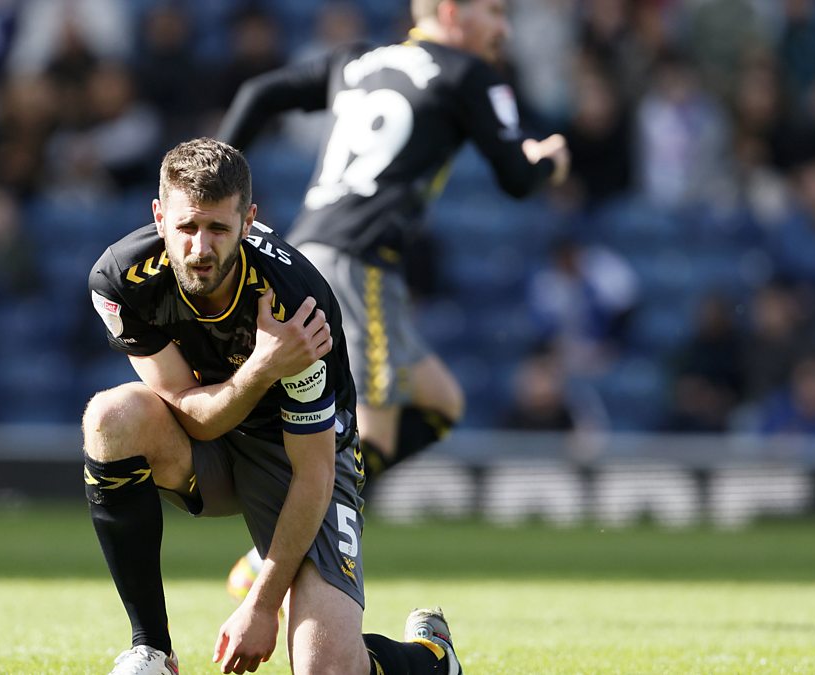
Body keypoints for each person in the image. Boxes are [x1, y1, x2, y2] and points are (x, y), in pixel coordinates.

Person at [85, 138, 461, 674]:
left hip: (299, 459)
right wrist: (262, 367)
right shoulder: (122, 281)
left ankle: (431, 658)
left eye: (218, 229)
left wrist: (261, 607)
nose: (200, 248)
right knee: (111, 418)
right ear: (159, 216)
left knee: (324, 669)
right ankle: (151, 650)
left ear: (249, 221)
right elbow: (189, 412)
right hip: (208, 444)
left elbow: (314, 472)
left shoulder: (296, 305)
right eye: (187, 227)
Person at [218, 0, 568, 523]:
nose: (504, 28)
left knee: (440, 402)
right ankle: (279, 547)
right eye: (494, 12)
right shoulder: (470, 74)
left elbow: (258, 93)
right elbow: (516, 179)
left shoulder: (359, 60)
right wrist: (548, 163)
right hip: (360, 262)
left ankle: (299, 513)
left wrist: (210, 185)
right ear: (450, 12)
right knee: (374, 432)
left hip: (312, 251)